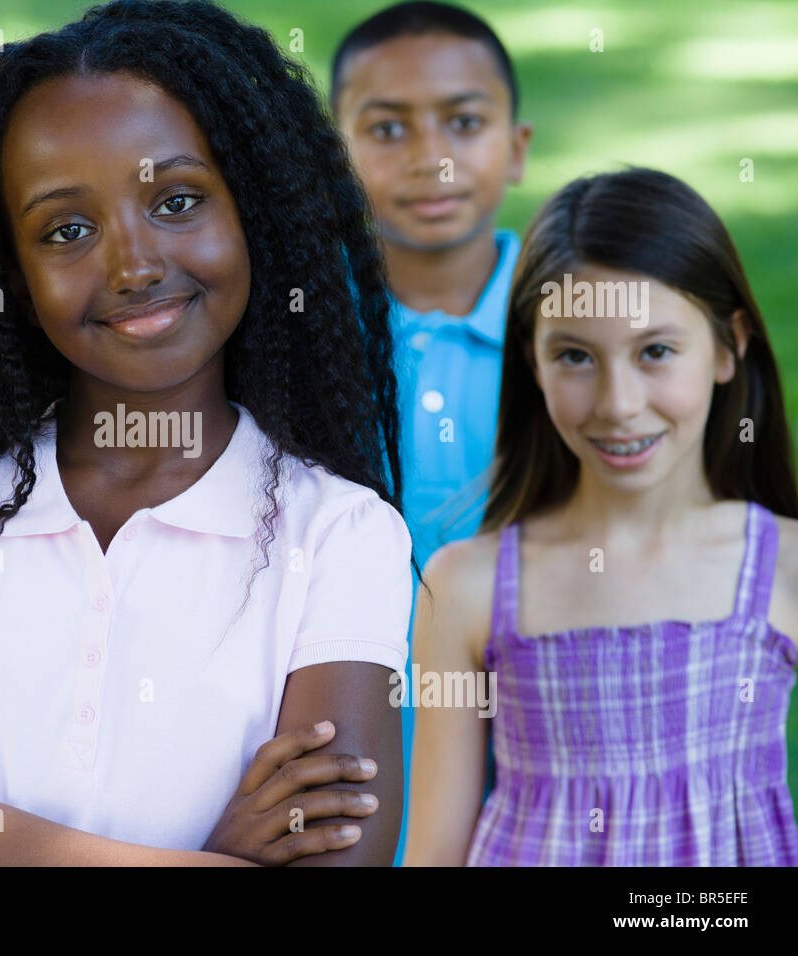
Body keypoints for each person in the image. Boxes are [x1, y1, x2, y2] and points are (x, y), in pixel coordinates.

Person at [0, 0, 414, 866]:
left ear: (254, 213)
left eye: (179, 200)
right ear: (12, 269)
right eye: (67, 230)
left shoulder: (341, 536)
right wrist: (209, 856)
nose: (133, 264)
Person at [405, 167, 798, 865]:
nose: (617, 403)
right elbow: (436, 852)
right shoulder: (465, 586)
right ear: (532, 361)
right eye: (576, 356)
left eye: (655, 352)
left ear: (729, 346)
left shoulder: (785, 564)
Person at [330, 0, 533, 864]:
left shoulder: (583, 335)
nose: (431, 157)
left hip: (553, 765)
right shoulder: (301, 339)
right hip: (359, 764)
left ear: (516, 146)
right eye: (387, 128)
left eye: (463, 121)